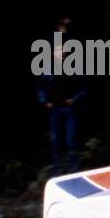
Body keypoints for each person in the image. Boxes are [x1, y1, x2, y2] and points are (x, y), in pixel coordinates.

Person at [37, 25, 86, 174]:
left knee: (72, 139)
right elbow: (40, 87)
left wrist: (75, 99)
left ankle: (74, 169)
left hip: (69, 107)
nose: (62, 52)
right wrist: (45, 101)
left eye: (64, 49)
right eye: (59, 50)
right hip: (54, 108)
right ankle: (57, 170)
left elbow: (84, 88)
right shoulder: (46, 68)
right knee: (56, 141)